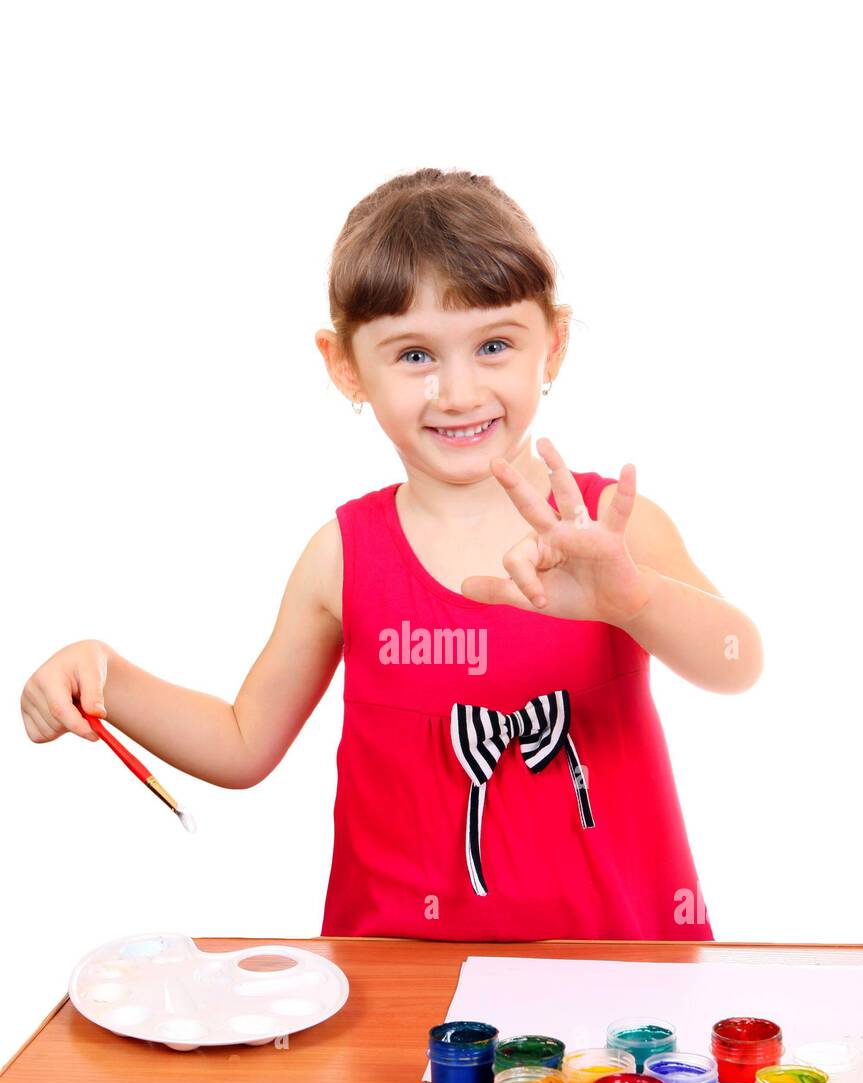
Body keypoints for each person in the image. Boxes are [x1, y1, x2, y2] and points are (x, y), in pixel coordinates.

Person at [20, 167, 763, 941]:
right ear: (345, 365)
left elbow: (737, 662)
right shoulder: (342, 556)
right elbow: (244, 744)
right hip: (399, 983)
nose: (458, 391)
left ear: (555, 343)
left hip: (618, 975)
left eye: (495, 344)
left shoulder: (612, 525)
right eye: (414, 355)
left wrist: (630, 598)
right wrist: (107, 674)